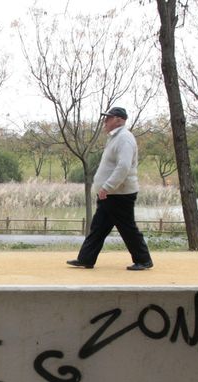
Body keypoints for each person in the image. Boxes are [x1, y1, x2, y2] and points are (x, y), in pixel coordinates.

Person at [66, 106, 154, 271]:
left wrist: (107, 187)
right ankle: (86, 259)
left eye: (108, 118)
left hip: (119, 193)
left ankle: (144, 260)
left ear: (119, 120)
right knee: (98, 227)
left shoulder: (124, 139)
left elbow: (123, 167)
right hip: (111, 194)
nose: (104, 121)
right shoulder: (115, 138)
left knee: (127, 227)